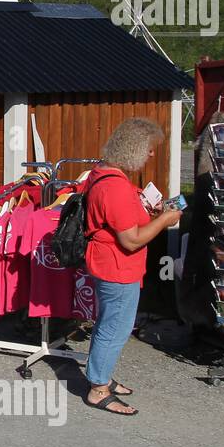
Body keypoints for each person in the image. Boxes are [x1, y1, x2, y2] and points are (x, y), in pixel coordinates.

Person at [82, 118, 182, 416]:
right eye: (150, 149)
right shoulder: (115, 187)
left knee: (107, 323)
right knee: (116, 328)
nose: (152, 155)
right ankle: (98, 389)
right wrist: (164, 220)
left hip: (107, 264)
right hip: (118, 267)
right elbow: (131, 240)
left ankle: (100, 375)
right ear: (134, 148)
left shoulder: (102, 174)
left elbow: (118, 222)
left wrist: (144, 210)